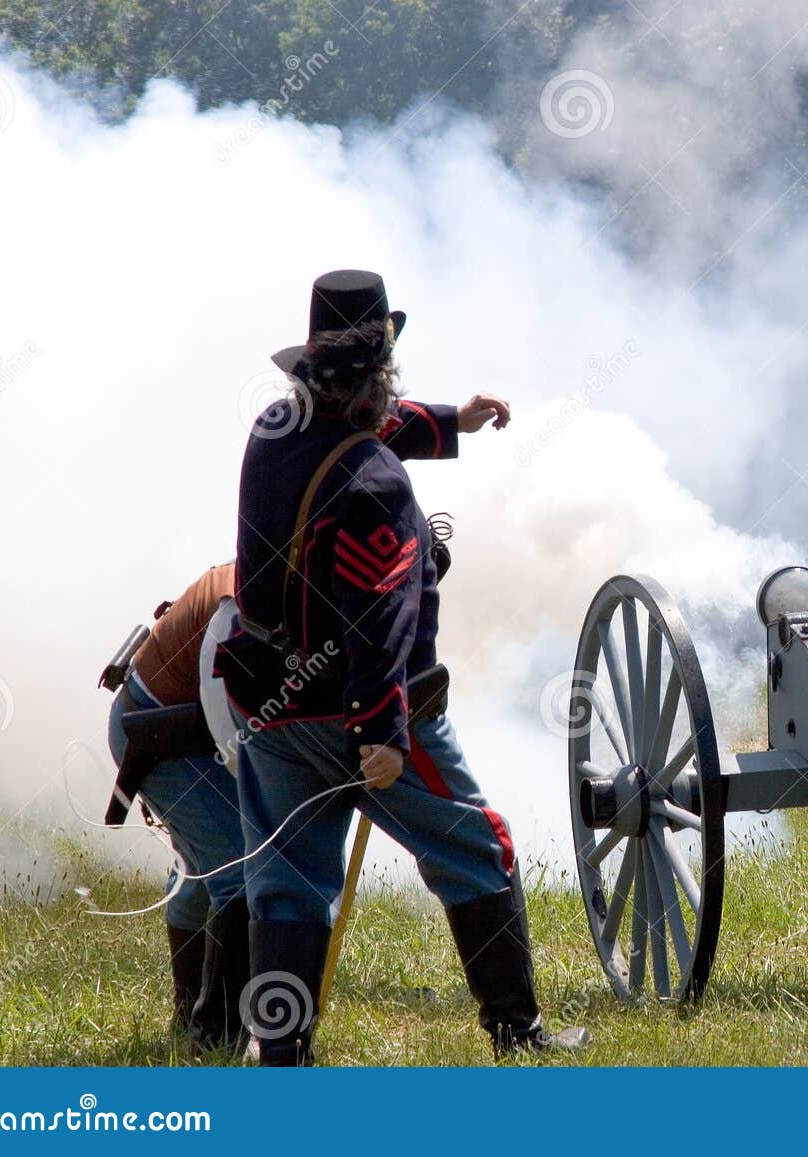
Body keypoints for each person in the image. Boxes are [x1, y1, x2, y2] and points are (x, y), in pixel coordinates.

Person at [216, 269, 588, 1064]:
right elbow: (378, 621)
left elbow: (369, 426)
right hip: (366, 712)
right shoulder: (379, 485)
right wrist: (378, 730)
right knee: (479, 848)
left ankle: (281, 1057)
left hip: (268, 707)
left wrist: (457, 420)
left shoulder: (274, 430)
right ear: (380, 372)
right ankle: (519, 1035)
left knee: (287, 884)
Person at [103, 562, 250, 1050]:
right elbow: (216, 692)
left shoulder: (263, 566)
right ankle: (218, 1039)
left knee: (202, 870)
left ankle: (189, 1013)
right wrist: (251, 775)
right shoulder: (244, 593)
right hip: (159, 732)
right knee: (238, 867)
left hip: (184, 729)